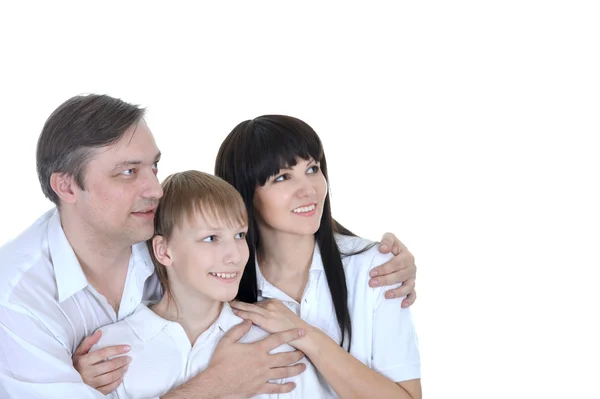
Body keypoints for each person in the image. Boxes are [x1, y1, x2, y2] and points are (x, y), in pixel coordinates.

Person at [0, 94, 416, 399]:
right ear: (66, 186)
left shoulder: (182, 255)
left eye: (154, 166)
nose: (154, 188)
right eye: (128, 172)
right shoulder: (17, 297)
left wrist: (383, 256)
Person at [215, 115, 422, 398]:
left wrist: (304, 334)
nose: (309, 190)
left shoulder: (374, 268)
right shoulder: (220, 282)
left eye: (312, 169)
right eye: (283, 177)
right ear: (244, 193)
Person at [90, 169, 327, 398]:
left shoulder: (271, 349)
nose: (235, 255)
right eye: (211, 238)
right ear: (164, 251)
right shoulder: (110, 353)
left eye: (239, 235)